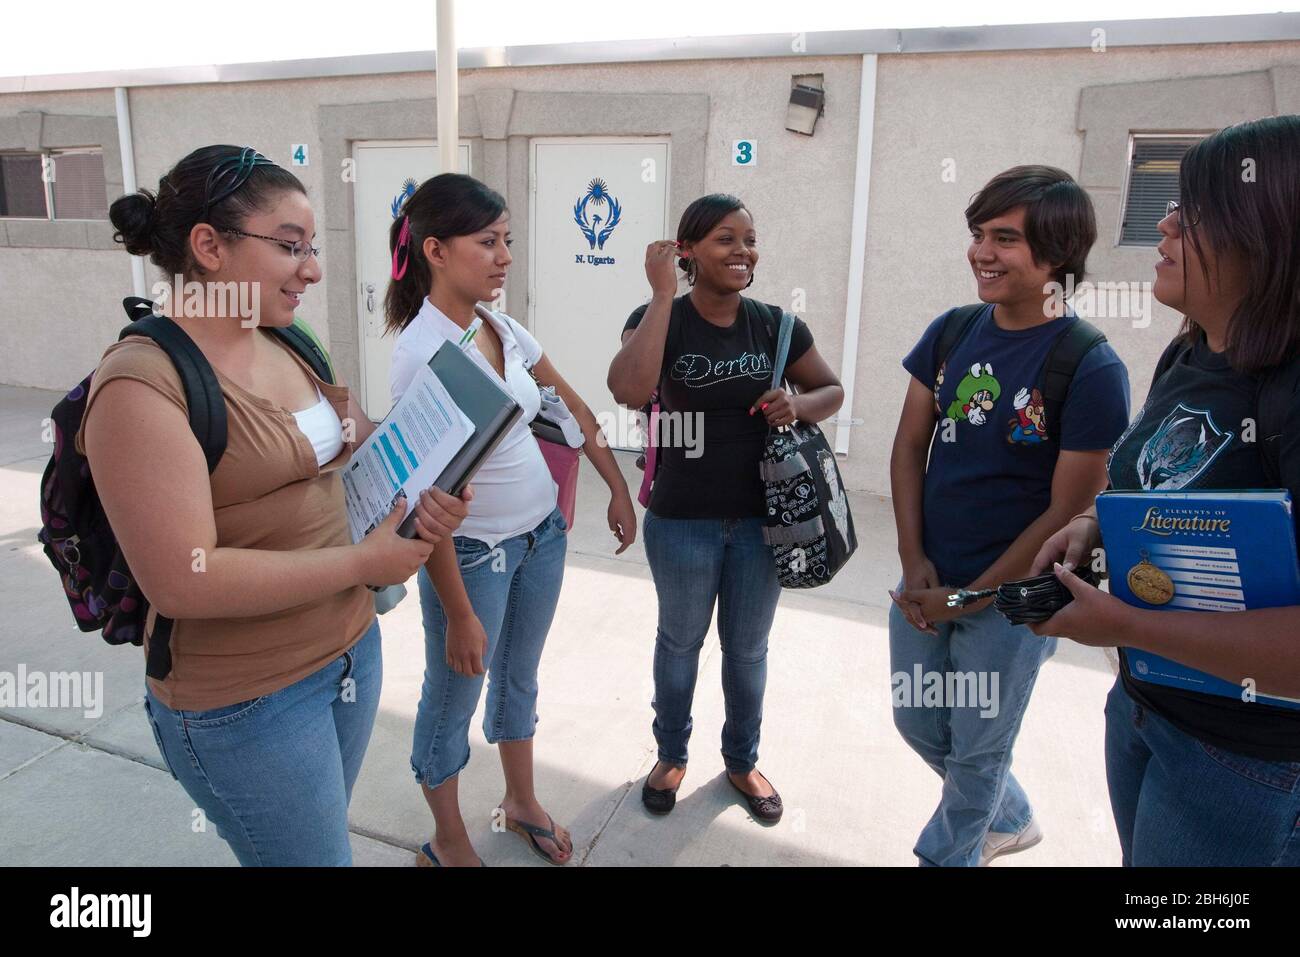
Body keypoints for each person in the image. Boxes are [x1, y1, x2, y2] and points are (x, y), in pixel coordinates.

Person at [84, 145, 468, 866]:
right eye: (290, 246)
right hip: (246, 702)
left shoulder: (291, 341)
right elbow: (183, 579)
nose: (314, 268)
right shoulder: (142, 385)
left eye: (312, 247)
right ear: (208, 246)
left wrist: (426, 474)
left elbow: (349, 454)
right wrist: (363, 560)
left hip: (350, 656)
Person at [1029, 116, 1300, 867]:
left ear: (1272, 231)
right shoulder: (1191, 351)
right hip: (1149, 710)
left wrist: (1125, 624)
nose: (1167, 222)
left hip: (1247, 764)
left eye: (1199, 210)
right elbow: (1152, 484)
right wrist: (1092, 526)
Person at [387, 173, 637, 867]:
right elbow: (420, 502)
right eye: (487, 242)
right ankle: (448, 839)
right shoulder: (420, 354)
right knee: (451, 698)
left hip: (541, 537)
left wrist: (616, 485)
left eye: (507, 241)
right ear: (435, 249)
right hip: (471, 557)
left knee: (519, 676)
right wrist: (461, 612)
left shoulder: (498, 324)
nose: (503, 256)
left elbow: (573, 406)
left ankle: (520, 801)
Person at [888, 165, 1131, 866]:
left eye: (1004, 238)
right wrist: (914, 561)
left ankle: (950, 856)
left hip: (1014, 601)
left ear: (1055, 256)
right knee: (918, 721)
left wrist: (972, 597)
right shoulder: (951, 332)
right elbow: (908, 446)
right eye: (977, 234)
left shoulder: (1090, 366)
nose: (981, 252)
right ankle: (1013, 815)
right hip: (925, 578)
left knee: (976, 750)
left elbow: (1065, 510)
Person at [608, 194, 845, 823]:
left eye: (749, 239)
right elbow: (628, 389)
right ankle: (670, 754)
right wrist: (662, 298)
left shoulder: (775, 324)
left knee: (746, 649)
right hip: (682, 518)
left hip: (767, 521)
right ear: (686, 252)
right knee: (680, 642)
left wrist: (800, 405)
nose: (742, 251)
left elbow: (831, 389)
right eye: (724, 239)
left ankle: (741, 760)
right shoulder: (660, 317)